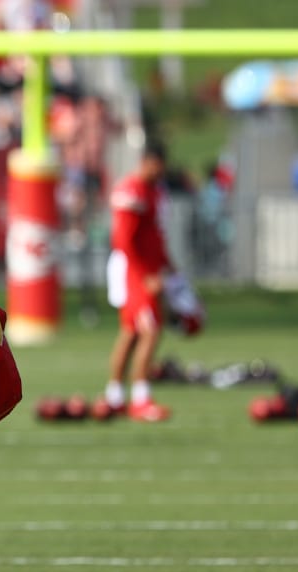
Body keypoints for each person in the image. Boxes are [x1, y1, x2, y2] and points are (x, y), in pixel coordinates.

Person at [102, 142, 174, 422]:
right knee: (150, 329)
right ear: (148, 161)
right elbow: (123, 240)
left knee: (131, 332)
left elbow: (154, 236)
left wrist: (169, 267)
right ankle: (141, 399)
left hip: (145, 268)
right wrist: (145, 276)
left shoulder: (152, 191)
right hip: (132, 269)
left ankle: (115, 397)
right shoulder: (132, 190)